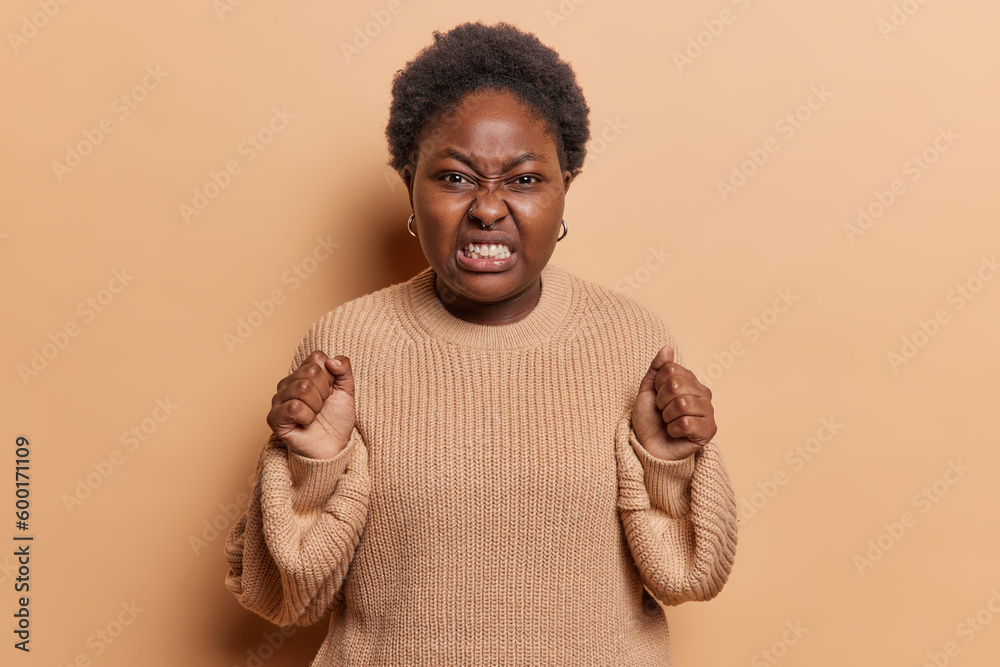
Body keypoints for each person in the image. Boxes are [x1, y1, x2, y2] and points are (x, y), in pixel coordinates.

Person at [223, 20, 738, 666]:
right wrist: (311, 463)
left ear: (564, 189)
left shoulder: (633, 340)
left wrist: (667, 463)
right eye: (456, 177)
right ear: (411, 183)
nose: (489, 208)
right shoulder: (346, 344)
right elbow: (282, 598)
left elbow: (689, 573)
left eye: (523, 180)